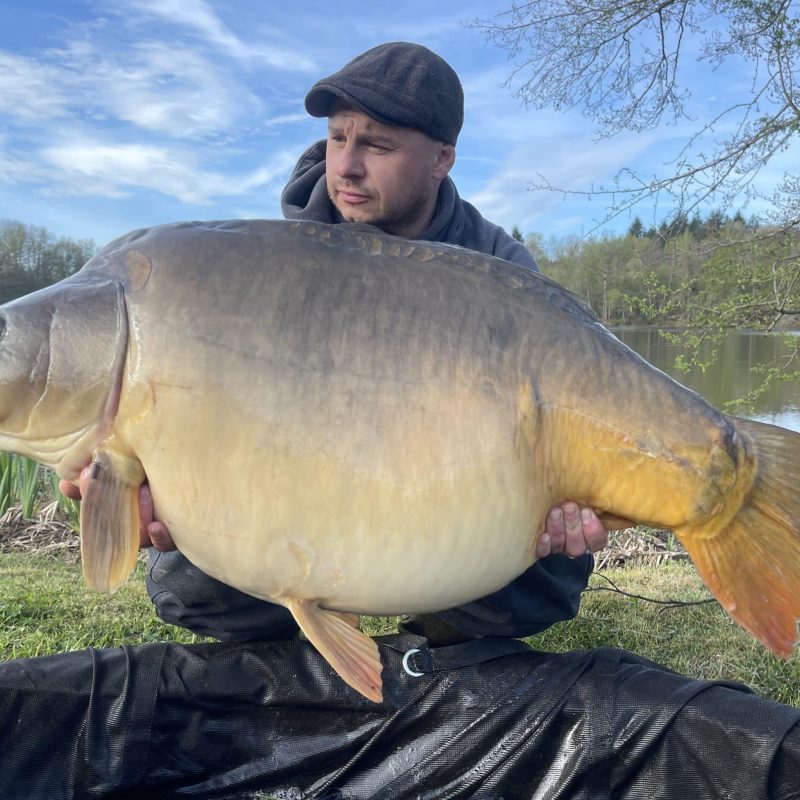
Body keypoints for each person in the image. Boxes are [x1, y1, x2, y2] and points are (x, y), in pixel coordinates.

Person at [61, 41, 609, 647]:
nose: (345, 165)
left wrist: (567, 496)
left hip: (444, 490)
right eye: (337, 138)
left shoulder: (501, 270)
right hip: (305, 486)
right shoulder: (270, 266)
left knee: (552, 573)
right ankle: (306, 643)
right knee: (185, 582)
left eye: (376, 144)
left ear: (442, 158)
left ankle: (433, 642)